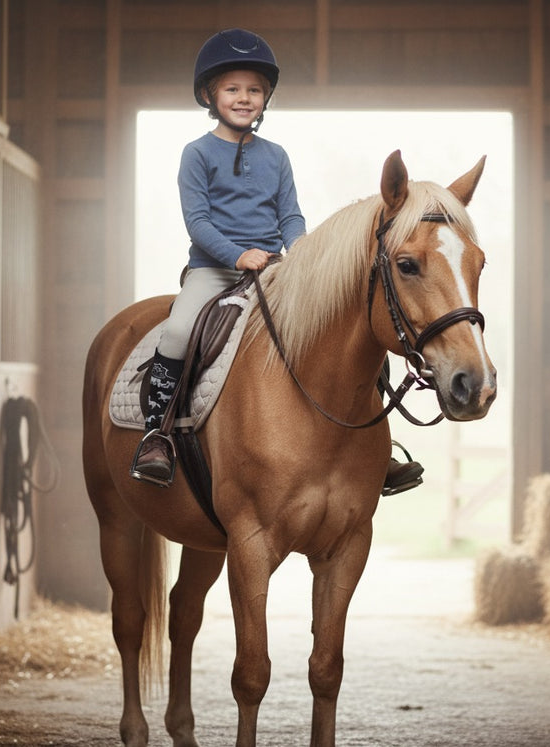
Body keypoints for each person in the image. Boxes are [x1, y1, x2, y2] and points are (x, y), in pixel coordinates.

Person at [131, 28, 423, 494]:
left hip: (274, 270)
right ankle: (157, 434)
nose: (244, 98)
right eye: (232, 89)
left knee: (354, 325)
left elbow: (290, 215)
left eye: (254, 90)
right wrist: (237, 253)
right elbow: (198, 221)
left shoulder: (277, 156)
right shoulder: (197, 154)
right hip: (214, 269)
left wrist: (303, 260)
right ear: (210, 94)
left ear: (265, 98)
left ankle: (375, 448)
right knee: (179, 329)